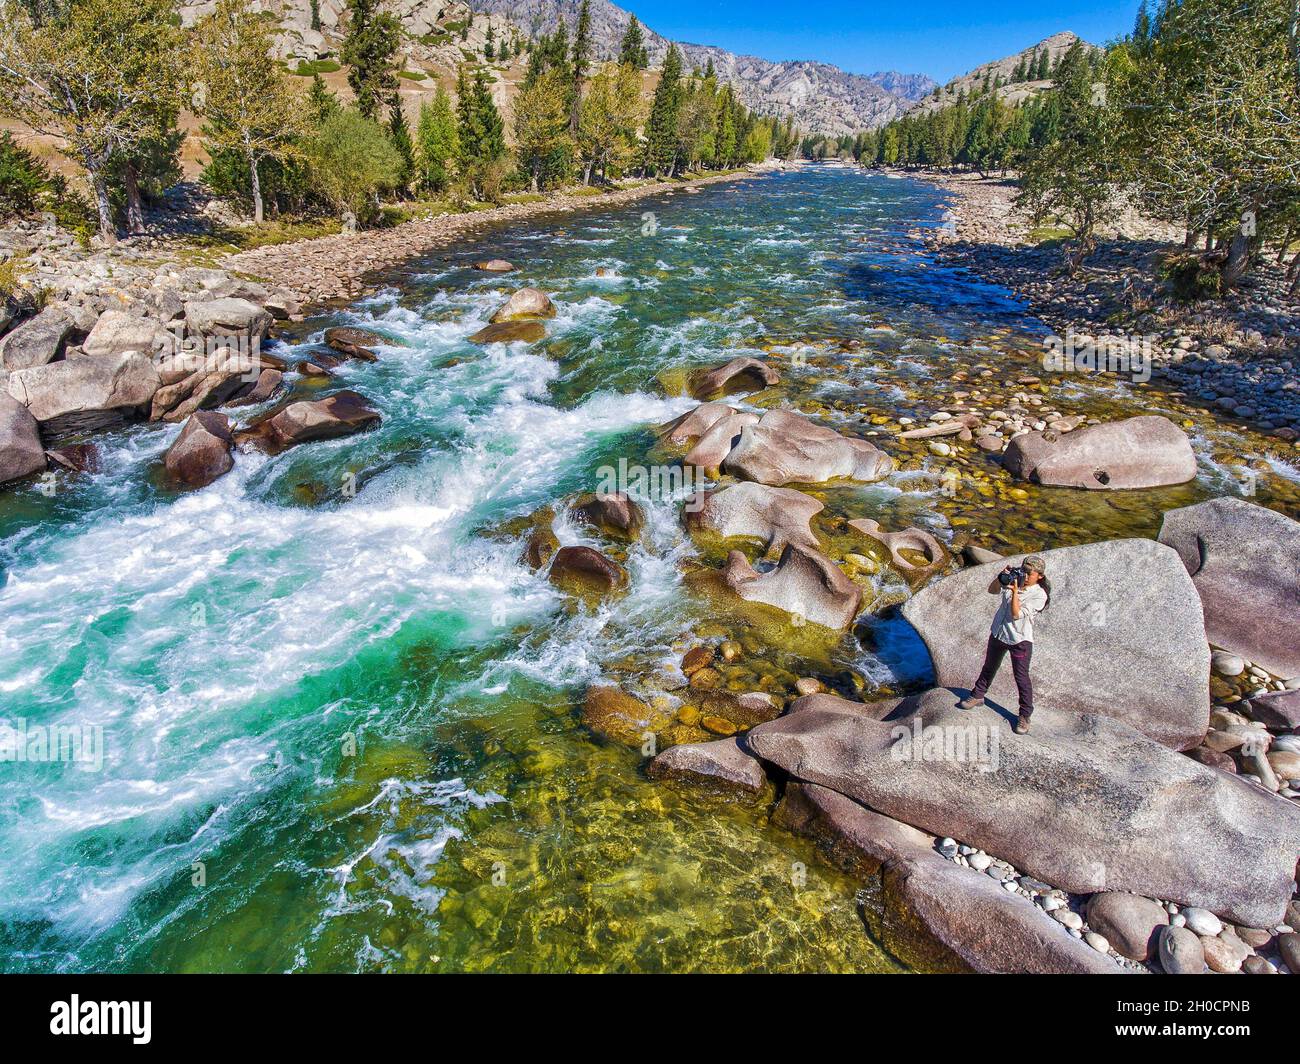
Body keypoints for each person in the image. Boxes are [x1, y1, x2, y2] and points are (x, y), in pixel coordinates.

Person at [957, 554, 1051, 733]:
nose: (1025, 575)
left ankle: (1024, 715)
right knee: (989, 667)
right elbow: (991, 590)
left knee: (1021, 677)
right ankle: (977, 695)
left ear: (1040, 576)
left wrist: (1016, 592)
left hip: (1019, 640)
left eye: (1030, 573)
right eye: (1024, 570)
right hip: (998, 633)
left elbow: (1016, 614)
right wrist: (1000, 579)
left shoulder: (1039, 595)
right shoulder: (1014, 579)